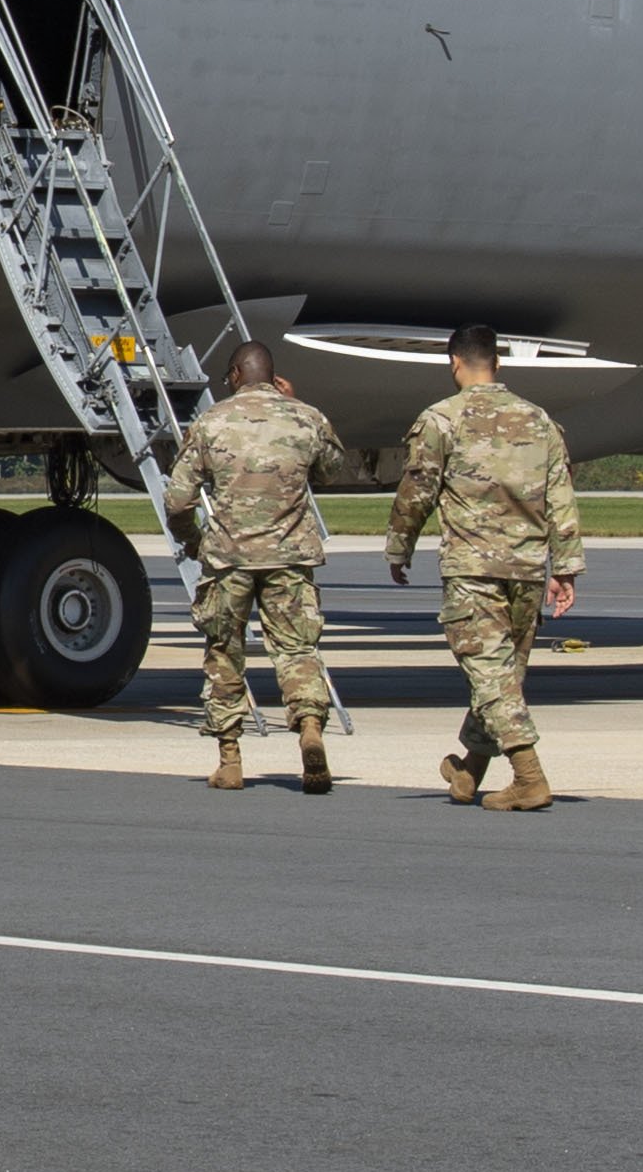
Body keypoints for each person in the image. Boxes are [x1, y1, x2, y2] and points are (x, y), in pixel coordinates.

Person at [385, 324, 585, 812]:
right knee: (500, 676)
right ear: (497, 363)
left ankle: (529, 777)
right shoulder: (538, 420)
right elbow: (560, 497)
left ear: (454, 363)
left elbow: (417, 491)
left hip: (473, 569)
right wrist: (565, 567)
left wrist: (399, 546)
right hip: (527, 569)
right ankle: (470, 771)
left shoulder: (441, 419)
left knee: (491, 676)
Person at [163, 340, 349, 793]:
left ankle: (230, 759)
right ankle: (309, 728)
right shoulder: (306, 417)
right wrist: (297, 405)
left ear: (234, 375)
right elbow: (332, 470)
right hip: (290, 556)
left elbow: (177, 500)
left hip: (229, 558)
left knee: (224, 652)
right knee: (297, 651)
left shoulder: (212, 422)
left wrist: (193, 541)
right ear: (272, 376)